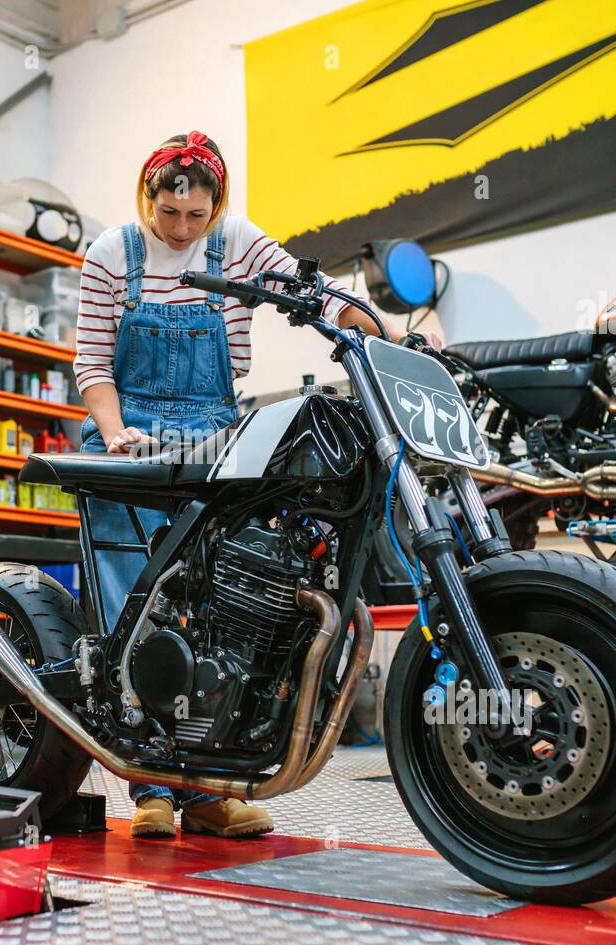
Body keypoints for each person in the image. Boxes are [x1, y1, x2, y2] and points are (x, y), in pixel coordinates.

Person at [74, 131, 407, 840]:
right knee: (134, 612)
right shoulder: (110, 254)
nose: (182, 228)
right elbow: (92, 364)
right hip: (132, 445)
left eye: (196, 217)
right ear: (148, 195)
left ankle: (209, 786)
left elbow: (314, 294)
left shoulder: (239, 242)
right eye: (169, 214)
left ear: (216, 206)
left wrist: (378, 332)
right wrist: (113, 433)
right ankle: (151, 790)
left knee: (215, 610)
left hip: (217, 442)